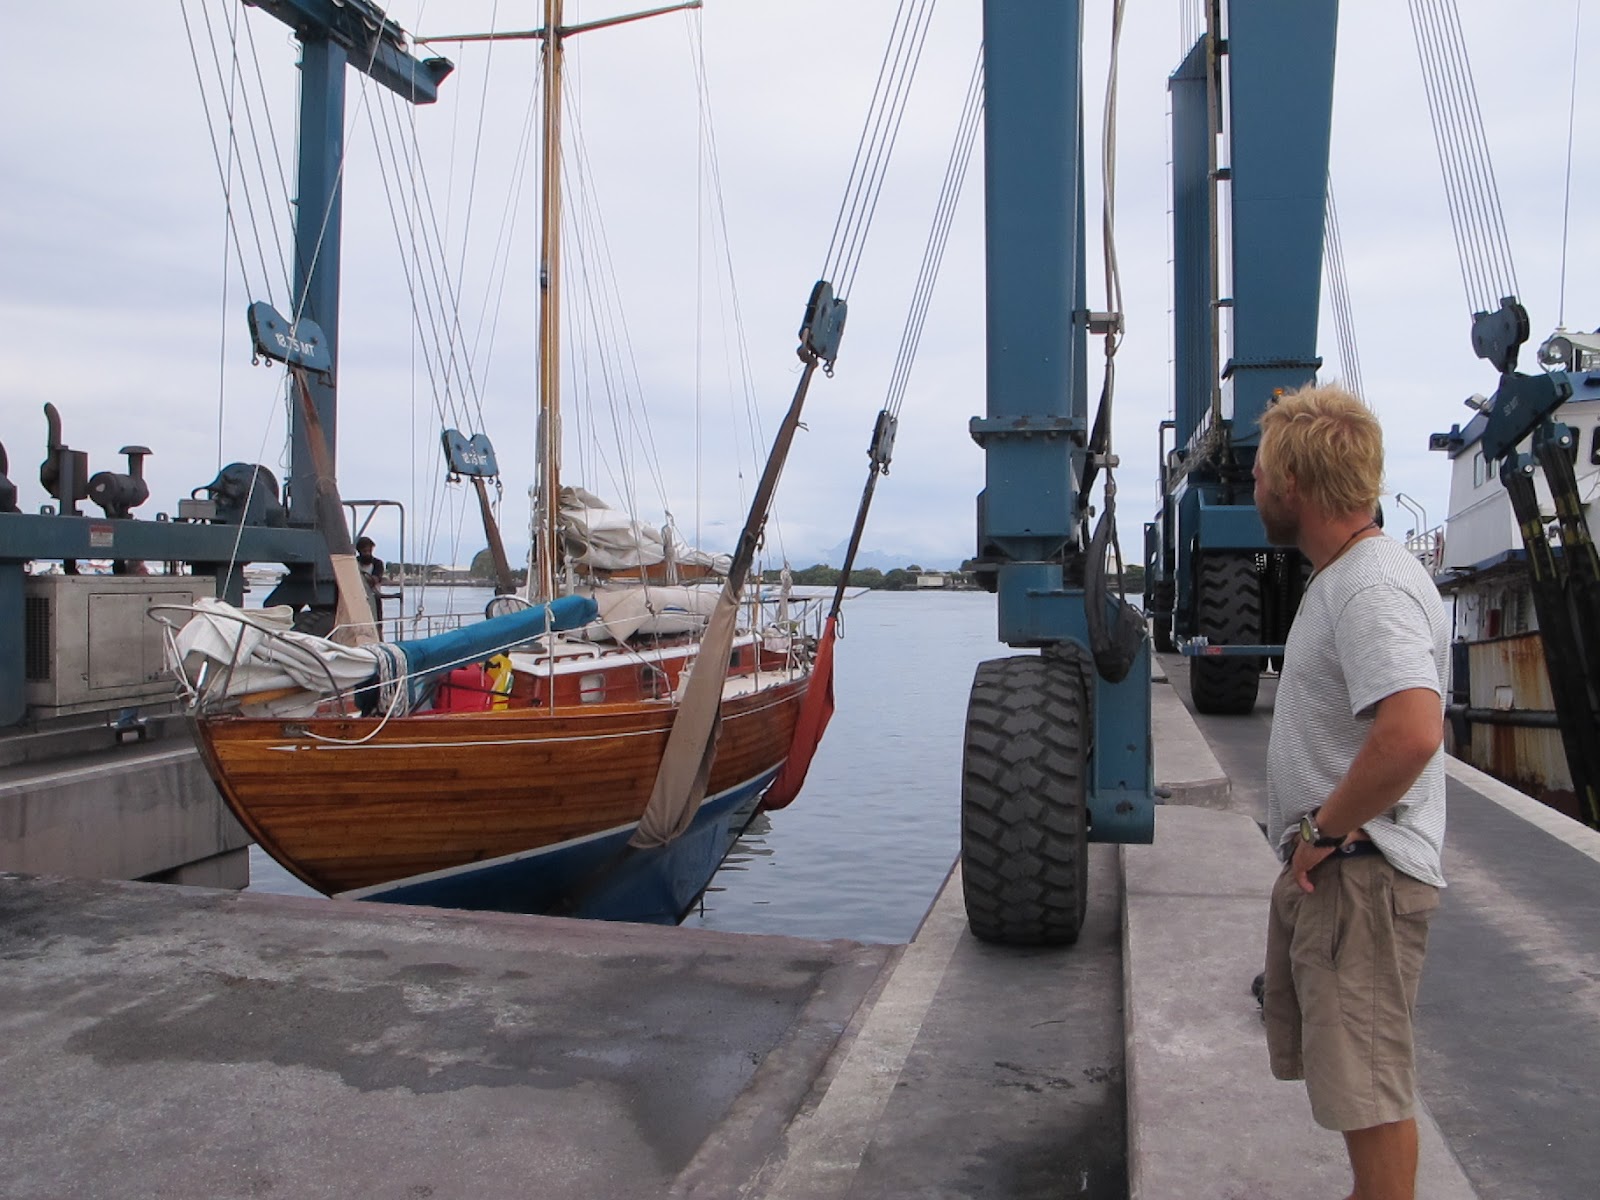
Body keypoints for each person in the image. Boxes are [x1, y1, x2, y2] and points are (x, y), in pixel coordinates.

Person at [1255, 384, 1449, 1200]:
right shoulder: (1345, 577)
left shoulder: (1368, 586)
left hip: (1359, 875)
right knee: (1357, 1089)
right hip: (1343, 873)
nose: (1254, 487)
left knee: (1370, 1094)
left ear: (1294, 482)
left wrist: (1325, 831)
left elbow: (1411, 730)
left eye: (1263, 472)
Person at [355, 536, 385, 619]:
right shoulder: (354, 563)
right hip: (358, 598)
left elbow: (376, 579)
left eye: (369, 551)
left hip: (375, 597)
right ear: (359, 551)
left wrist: (365, 577)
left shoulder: (378, 563)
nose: (368, 553)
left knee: (377, 621)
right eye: (365, 551)